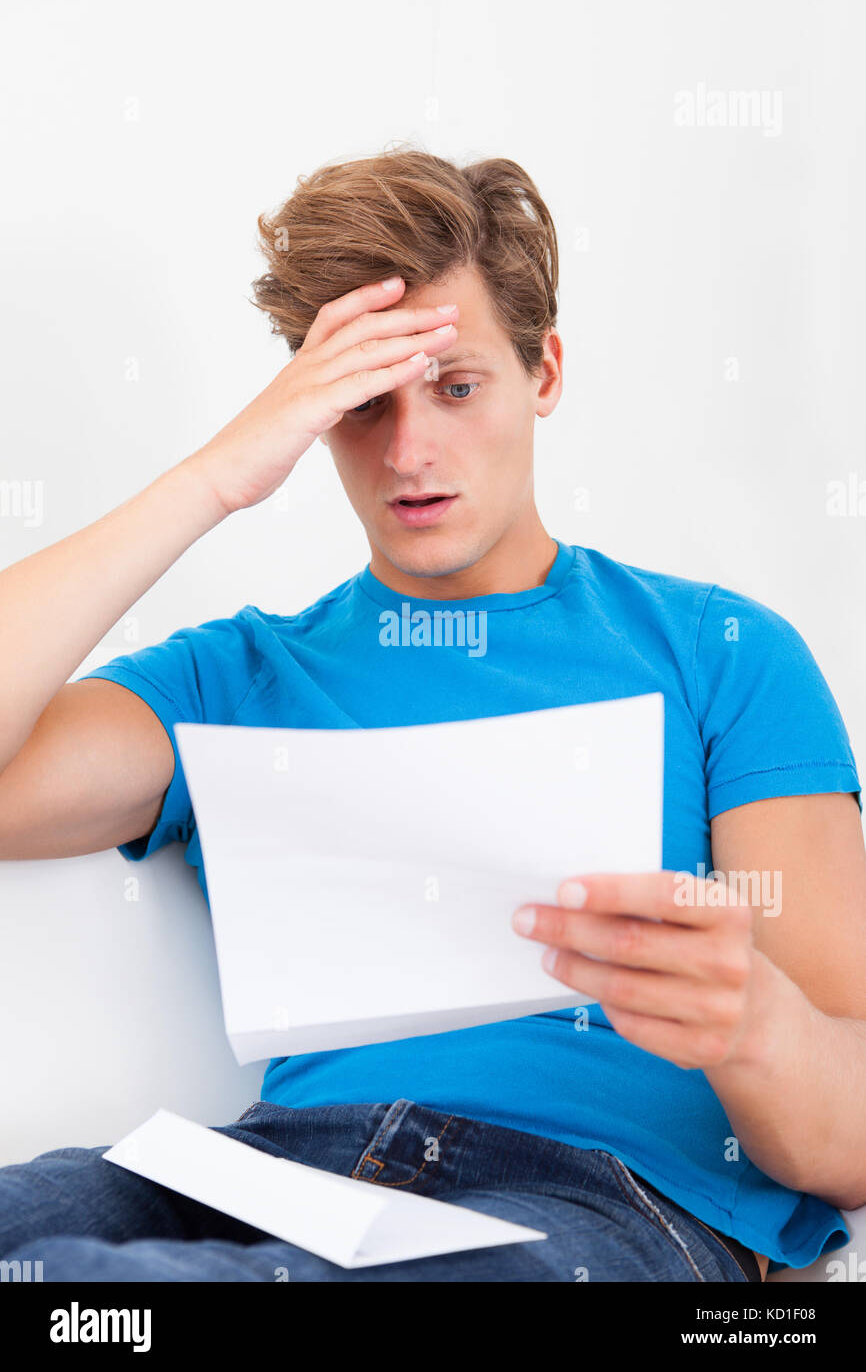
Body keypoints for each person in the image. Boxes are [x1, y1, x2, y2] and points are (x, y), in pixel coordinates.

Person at [1, 147, 864, 1284]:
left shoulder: (719, 654)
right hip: (277, 1174)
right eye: (361, 404)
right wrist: (217, 475)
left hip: (598, 1197)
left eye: (456, 388)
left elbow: (845, 1142)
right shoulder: (235, 677)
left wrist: (747, 1015)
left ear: (542, 370)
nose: (408, 452)